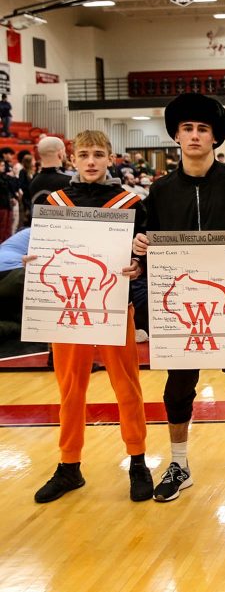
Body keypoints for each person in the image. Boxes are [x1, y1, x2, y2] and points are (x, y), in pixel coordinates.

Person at [132, 93, 225, 502]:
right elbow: (146, 240)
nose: (195, 135)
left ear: (215, 138)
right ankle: (179, 463)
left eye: (203, 129)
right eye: (188, 129)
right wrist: (140, 247)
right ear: (176, 136)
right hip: (179, 309)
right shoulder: (160, 191)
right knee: (179, 386)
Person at [26, 130, 152, 504]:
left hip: (114, 306)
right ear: (73, 160)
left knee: (127, 387)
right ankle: (69, 465)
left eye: (99, 154)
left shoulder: (131, 202)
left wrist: (138, 265)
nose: (92, 161)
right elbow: (43, 246)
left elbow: (143, 252)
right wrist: (34, 260)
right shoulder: (54, 201)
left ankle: (138, 460)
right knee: (70, 390)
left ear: (110, 158)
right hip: (67, 310)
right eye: (84, 155)